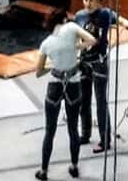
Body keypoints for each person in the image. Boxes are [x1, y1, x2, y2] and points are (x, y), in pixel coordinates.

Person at [34, 16, 96, 180]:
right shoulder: (72, 28)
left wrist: (52, 67)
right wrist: (77, 46)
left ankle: (44, 170)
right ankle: (74, 166)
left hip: (55, 83)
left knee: (50, 130)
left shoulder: (46, 43)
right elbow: (92, 40)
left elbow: (38, 72)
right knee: (73, 128)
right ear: (62, 20)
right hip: (73, 83)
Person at [72, 0, 120, 154]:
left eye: (91, 0)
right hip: (85, 63)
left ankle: (105, 139)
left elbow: (119, 18)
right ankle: (85, 133)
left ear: (98, 1)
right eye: (85, 0)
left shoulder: (105, 14)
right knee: (84, 99)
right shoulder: (79, 16)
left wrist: (125, 23)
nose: (88, 4)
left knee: (100, 101)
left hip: (99, 63)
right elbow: (76, 35)